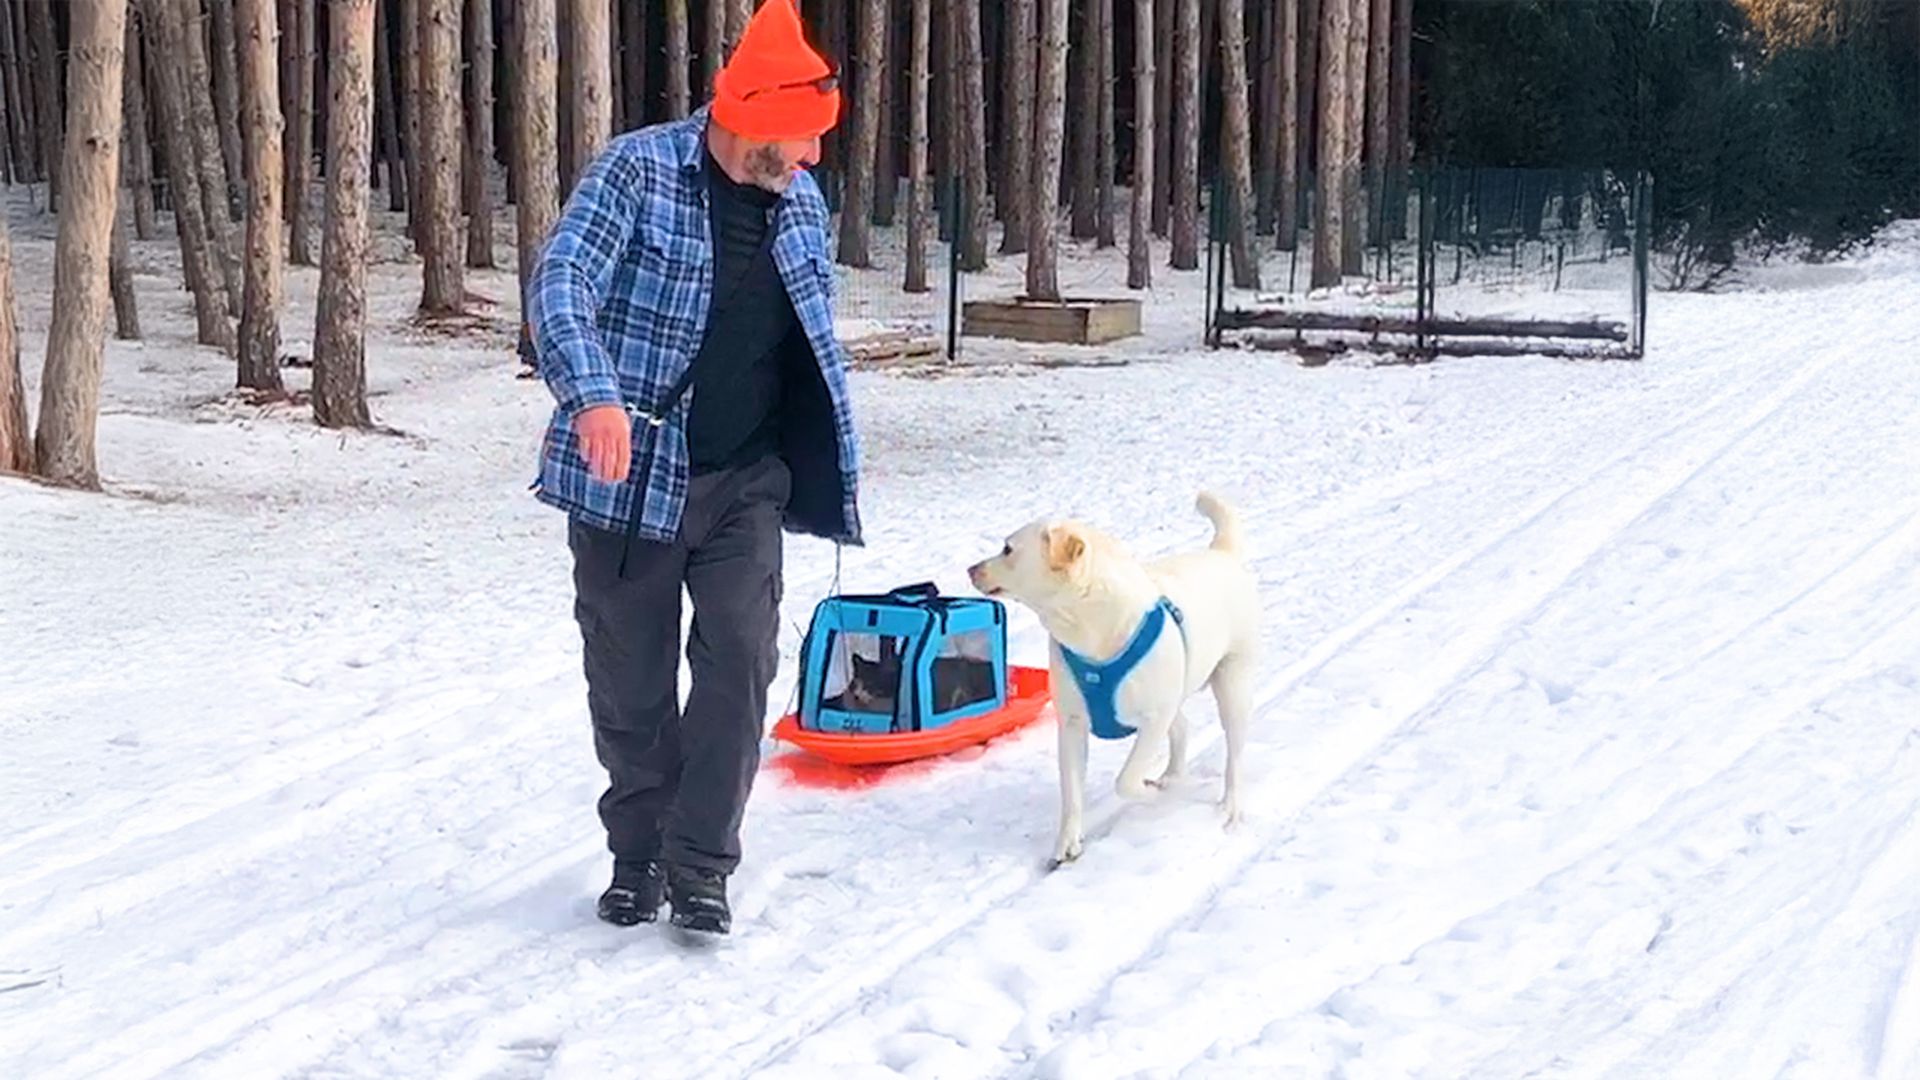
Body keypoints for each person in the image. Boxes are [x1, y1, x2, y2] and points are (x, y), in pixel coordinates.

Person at [526, 0, 862, 936]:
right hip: (631, 474)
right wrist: (591, 394)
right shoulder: (637, 172)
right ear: (748, 115)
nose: (812, 158)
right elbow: (560, 282)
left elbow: (804, 336)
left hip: (746, 480)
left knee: (740, 667)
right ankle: (637, 858)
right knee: (629, 684)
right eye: (801, 136)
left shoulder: (800, 202)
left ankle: (703, 863)